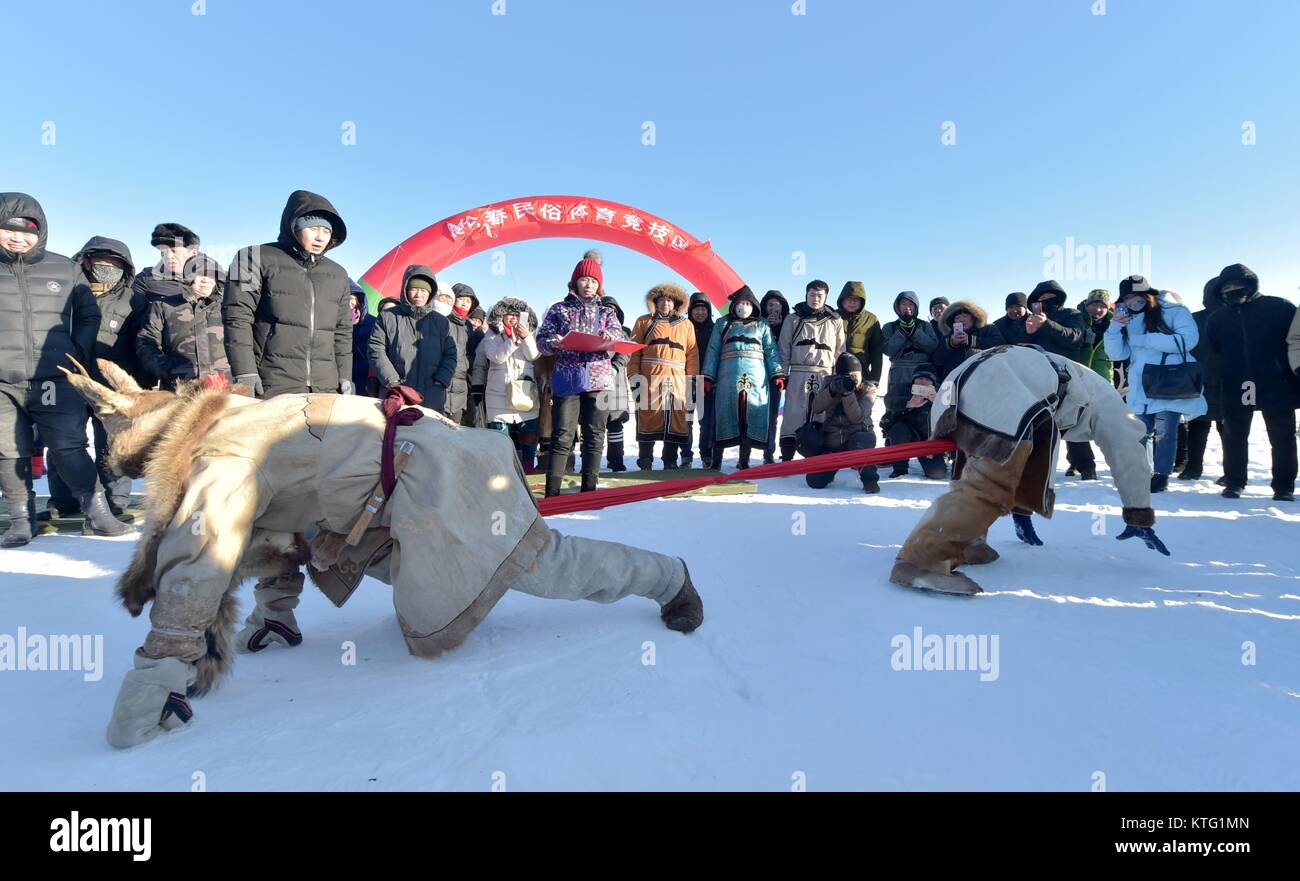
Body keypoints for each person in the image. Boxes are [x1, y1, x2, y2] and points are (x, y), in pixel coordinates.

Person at [61, 360, 704, 749]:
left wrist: (144, 699)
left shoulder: (219, 459)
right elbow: (273, 530)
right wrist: (272, 615)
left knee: (542, 562)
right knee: (402, 566)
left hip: (436, 477)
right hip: (391, 496)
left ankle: (668, 577)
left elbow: (199, 564)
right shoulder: (236, 419)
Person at [889, 345, 1165, 596]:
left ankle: (967, 541)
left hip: (956, 386)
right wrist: (1138, 513)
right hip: (1002, 388)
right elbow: (1129, 454)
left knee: (976, 471)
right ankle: (921, 560)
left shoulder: (1074, 375)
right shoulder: (1110, 404)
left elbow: (1034, 454)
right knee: (989, 485)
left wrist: (1022, 508)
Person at [0, 193, 131, 547]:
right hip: (2, 382)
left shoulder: (63, 268)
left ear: (40, 232)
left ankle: (98, 513)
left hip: (53, 378)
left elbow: (89, 314)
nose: (18, 237)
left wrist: (75, 348)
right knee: (9, 451)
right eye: (8, 229)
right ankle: (20, 520)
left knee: (69, 447)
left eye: (28, 231)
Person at [224, 190, 353, 398]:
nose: (320, 237)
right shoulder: (250, 258)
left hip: (325, 387)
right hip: (270, 382)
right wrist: (244, 371)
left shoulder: (338, 274)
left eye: (326, 231)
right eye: (313, 228)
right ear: (294, 227)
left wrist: (345, 375)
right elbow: (237, 317)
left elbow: (342, 331)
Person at [57, 236, 150, 518]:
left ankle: (116, 499)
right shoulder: (64, 292)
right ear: (86, 261)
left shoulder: (134, 300)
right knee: (66, 442)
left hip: (112, 387)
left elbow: (141, 343)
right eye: (101, 262)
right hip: (69, 382)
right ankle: (65, 500)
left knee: (111, 443)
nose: (107, 268)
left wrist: (140, 387)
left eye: (115, 264)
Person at [536, 252, 627, 495]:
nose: (589, 285)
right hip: (568, 377)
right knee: (563, 434)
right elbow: (541, 341)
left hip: (598, 379)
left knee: (595, 434)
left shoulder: (607, 312)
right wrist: (553, 342)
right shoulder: (559, 309)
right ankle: (552, 491)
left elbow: (619, 336)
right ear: (575, 281)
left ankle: (589, 489)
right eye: (585, 279)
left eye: (594, 281)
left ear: (600, 286)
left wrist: (610, 337)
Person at [1103, 276, 1205, 493]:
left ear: (1148, 294)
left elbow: (1188, 340)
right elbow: (1117, 353)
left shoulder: (1175, 311)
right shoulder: (1129, 320)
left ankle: (1161, 475)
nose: (1133, 302)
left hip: (1169, 380)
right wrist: (1114, 327)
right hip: (1141, 384)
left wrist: (1146, 340)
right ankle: (1141, 472)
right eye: (1128, 297)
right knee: (1139, 431)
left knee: (1166, 431)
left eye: (1137, 296)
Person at [1206, 264, 1299, 501]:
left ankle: (1284, 486)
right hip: (1238, 384)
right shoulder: (1218, 318)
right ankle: (1235, 482)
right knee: (1234, 435)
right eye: (1227, 287)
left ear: (1250, 285)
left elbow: (1294, 340)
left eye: (1237, 285)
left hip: (1276, 382)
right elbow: (1217, 349)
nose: (1232, 290)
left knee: (1282, 436)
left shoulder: (1280, 307)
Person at [701, 286, 785, 470]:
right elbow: (713, 350)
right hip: (727, 376)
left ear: (753, 305)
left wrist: (777, 373)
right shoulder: (723, 323)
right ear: (734, 305)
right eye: (740, 303)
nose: (743, 307)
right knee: (723, 415)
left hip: (756, 376)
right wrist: (708, 376)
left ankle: (744, 461)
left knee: (749, 417)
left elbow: (770, 350)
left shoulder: (762, 324)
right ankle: (716, 461)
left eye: (747, 303)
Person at [628, 283, 699, 470]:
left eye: (669, 300)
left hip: (677, 379)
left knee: (675, 420)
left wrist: (691, 381)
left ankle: (670, 460)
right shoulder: (644, 322)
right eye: (661, 300)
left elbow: (692, 354)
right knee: (647, 418)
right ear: (655, 302)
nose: (665, 304)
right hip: (649, 378)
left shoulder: (686, 324)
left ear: (676, 303)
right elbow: (634, 352)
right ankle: (645, 460)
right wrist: (634, 376)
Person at [1027, 280, 1093, 479]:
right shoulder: (1030, 319)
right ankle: (1038, 467)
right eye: (1042, 299)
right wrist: (1028, 332)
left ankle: (1085, 465)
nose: (1046, 301)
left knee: (1073, 421)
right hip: (1037, 376)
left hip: (1066, 375)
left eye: (1051, 297)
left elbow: (1074, 337)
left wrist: (1046, 324)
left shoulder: (1071, 314)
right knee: (1039, 423)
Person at [367, 265, 457, 410]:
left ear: (431, 292)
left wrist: (441, 380)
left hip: (432, 396)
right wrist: (393, 382)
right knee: (393, 431)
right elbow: (375, 350)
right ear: (405, 290)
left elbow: (451, 355)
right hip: (396, 394)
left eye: (423, 290)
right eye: (414, 289)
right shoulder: (388, 316)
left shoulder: (442, 322)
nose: (418, 295)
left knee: (431, 432)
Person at [136, 254, 231, 390]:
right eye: (200, 274)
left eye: (211, 275)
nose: (206, 280)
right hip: (179, 389)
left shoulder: (228, 308)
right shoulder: (163, 306)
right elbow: (146, 342)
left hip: (223, 388)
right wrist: (166, 370)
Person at [778, 279, 845, 461]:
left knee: (821, 414)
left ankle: (817, 457)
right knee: (793, 414)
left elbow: (840, 350)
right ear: (806, 295)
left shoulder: (835, 320)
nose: (816, 298)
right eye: (812, 294)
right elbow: (784, 348)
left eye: (819, 295)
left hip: (825, 373)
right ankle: (787, 456)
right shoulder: (793, 319)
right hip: (799, 371)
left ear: (825, 297)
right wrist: (782, 374)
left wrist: (840, 375)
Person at [880, 291, 943, 479]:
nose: (907, 308)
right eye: (903, 304)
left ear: (916, 307)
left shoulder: (924, 325)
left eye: (910, 305)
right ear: (897, 307)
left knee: (925, 407)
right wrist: (902, 331)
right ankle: (894, 451)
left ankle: (929, 445)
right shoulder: (889, 327)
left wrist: (914, 332)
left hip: (922, 370)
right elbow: (888, 349)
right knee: (897, 408)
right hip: (899, 371)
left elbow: (932, 346)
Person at [805, 353, 881, 493]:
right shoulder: (830, 384)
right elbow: (816, 408)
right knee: (814, 481)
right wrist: (832, 390)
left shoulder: (868, 389)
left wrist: (847, 393)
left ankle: (870, 480)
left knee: (859, 445)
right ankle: (829, 473)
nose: (852, 379)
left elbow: (856, 417)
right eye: (847, 375)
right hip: (834, 440)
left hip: (859, 436)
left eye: (855, 375)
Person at [482, 297, 541, 470]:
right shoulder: (492, 335)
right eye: (509, 314)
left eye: (517, 314)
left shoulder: (530, 333)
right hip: (498, 392)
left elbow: (534, 356)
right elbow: (496, 357)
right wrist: (512, 341)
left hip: (525, 390)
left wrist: (526, 337)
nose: (513, 318)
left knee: (528, 429)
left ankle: (528, 465)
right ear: (501, 316)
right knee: (500, 434)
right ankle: (503, 467)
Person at [1179, 276, 1225, 481]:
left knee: (1229, 431)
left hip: (1226, 381)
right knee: (1198, 427)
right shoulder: (1195, 319)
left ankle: (1229, 472)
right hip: (1199, 379)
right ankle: (1193, 466)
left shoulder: (1235, 316)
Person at [880, 363, 944, 479]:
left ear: (933, 382)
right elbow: (889, 400)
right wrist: (908, 403)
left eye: (927, 379)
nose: (923, 382)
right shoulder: (903, 388)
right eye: (919, 378)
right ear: (914, 379)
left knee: (937, 473)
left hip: (928, 437)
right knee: (898, 430)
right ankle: (900, 469)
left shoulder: (941, 392)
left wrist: (937, 402)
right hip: (905, 432)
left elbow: (952, 412)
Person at [681, 292, 715, 469]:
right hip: (686, 379)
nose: (700, 312)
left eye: (703, 309)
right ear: (690, 311)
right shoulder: (683, 328)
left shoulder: (715, 328)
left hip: (708, 381)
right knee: (686, 421)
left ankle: (706, 455)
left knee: (706, 421)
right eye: (696, 309)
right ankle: (686, 456)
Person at [931, 300, 1006, 379]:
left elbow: (1000, 344)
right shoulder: (948, 336)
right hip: (955, 381)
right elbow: (937, 360)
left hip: (986, 377)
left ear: (974, 316)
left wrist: (971, 340)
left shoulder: (988, 328)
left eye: (965, 316)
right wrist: (951, 344)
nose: (961, 320)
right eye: (957, 318)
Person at [600, 294, 632, 473]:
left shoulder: (624, 331)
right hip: (593, 384)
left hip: (616, 382)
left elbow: (625, 353)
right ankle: (590, 460)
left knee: (615, 424)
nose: (610, 313)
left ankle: (616, 459)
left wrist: (614, 366)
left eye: (613, 310)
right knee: (592, 425)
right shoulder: (592, 330)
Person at [133, 223, 199, 303]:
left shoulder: (211, 280)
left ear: (193, 253)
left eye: (174, 251)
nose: (168, 256)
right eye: (163, 252)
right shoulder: (145, 278)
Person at [760, 289, 790, 463]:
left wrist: (779, 327)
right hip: (757, 373)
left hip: (777, 375)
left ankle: (768, 452)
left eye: (777, 305)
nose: (773, 308)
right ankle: (746, 452)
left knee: (772, 415)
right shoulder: (757, 322)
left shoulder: (789, 322)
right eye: (770, 304)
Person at [451, 283, 485, 426]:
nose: (465, 303)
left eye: (469, 301)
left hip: (466, 382)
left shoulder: (471, 329)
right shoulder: (442, 320)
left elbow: (473, 355)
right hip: (446, 381)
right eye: (462, 298)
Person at [837, 281, 884, 383]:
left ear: (862, 301)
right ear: (842, 299)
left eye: (856, 299)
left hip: (860, 376)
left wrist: (875, 379)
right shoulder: (832, 317)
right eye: (849, 298)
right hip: (833, 374)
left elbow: (876, 352)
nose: (852, 302)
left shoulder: (871, 320)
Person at [348, 279, 377, 397]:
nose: (348, 302)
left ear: (359, 300)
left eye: (351, 298)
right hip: (343, 376)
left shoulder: (373, 322)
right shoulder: (332, 321)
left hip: (365, 378)